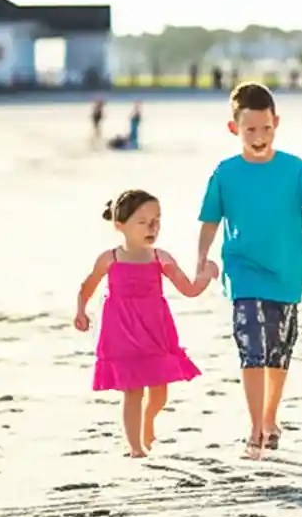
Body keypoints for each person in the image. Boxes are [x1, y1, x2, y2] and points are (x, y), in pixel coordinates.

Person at [196, 82, 302, 459]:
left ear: (277, 123)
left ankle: (270, 419)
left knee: (278, 353)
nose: (259, 137)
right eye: (250, 130)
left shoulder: (293, 169)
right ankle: (256, 427)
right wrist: (202, 258)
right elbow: (210, 220)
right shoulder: (225, 173)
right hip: (243, 274)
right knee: (253, 350)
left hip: (287, 277)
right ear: (234, 129)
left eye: (266, 128)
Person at [74, 189, 219, 458]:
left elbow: (188, 289)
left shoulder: (160, 258)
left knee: (160, 391)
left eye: (157, 220)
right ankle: (135, 446)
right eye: (143, 222)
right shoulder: (110, 258)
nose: (152, 227)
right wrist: (81, 311)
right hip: (122, 332)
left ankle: (148, 420)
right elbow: (87, 286)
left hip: (155, 330)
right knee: (132, 392)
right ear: (120, 225)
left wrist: (206, 276)